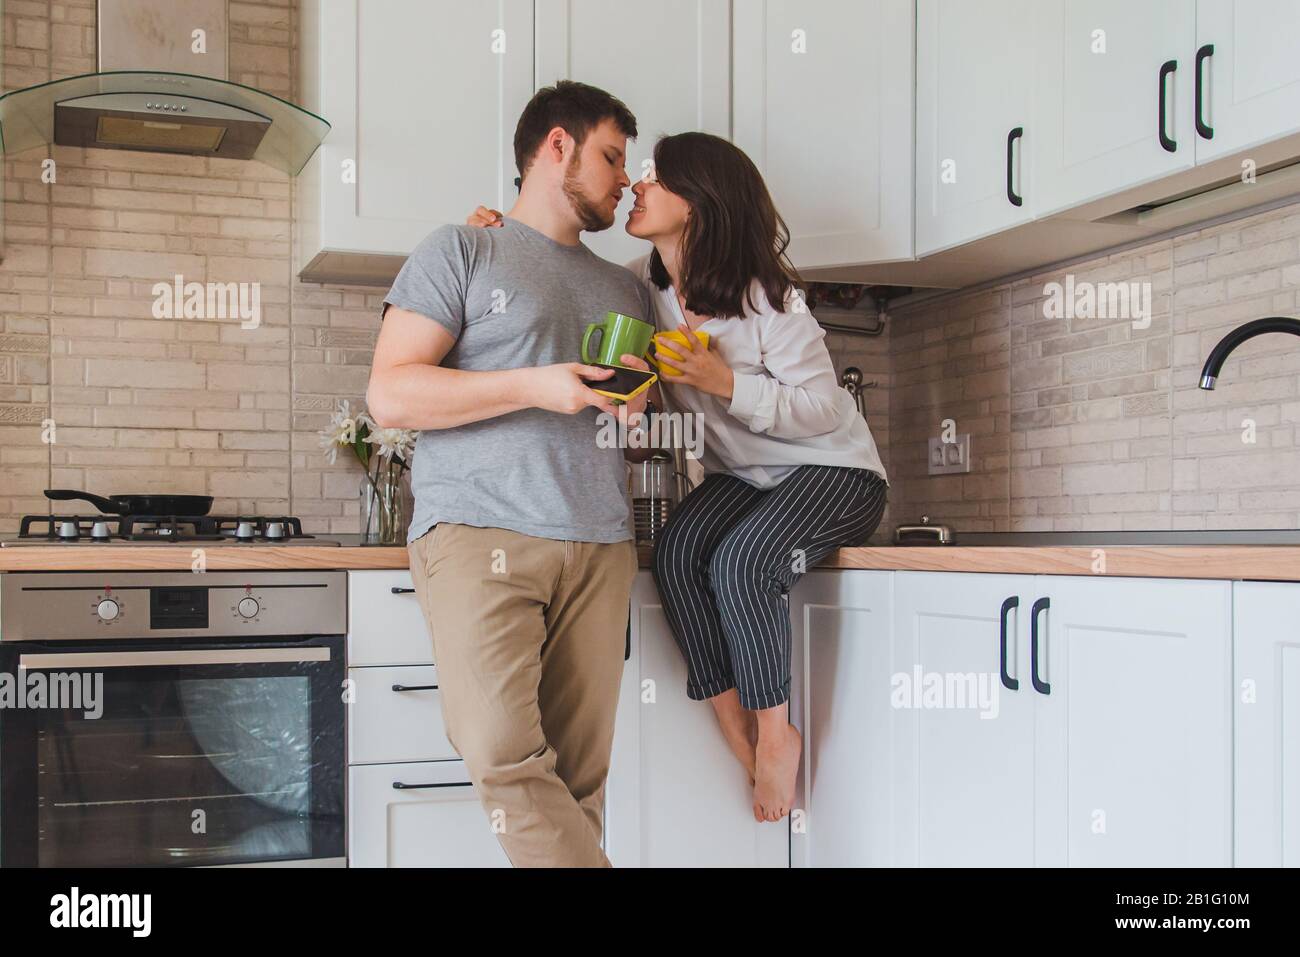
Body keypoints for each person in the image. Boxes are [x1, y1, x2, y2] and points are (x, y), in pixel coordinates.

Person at [466, 131, 888, 824]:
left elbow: (823, 411)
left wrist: (727, 383)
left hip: (833, 470)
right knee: (680, 552)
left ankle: (776, 733)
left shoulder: (768, 299)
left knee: (745, 560)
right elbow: (623, 373)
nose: (637, 183)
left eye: (656, 177)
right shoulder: (646, 288)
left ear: (697, 202)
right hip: (745, 477)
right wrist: (502, 238)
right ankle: (734, 724)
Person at [367, 80, 656, 867]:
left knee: (576, 780)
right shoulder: (461, 249)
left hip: (598, 541)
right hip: (478, 531)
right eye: (610, 156)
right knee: (498, 748)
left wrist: (635, 407)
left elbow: (633, 422)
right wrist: (535, 383)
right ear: (554, 146)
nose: (624, 178)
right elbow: (389, 392)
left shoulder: (628, 287)